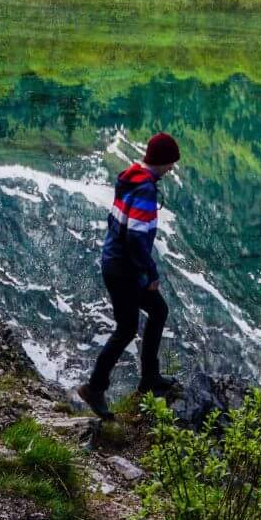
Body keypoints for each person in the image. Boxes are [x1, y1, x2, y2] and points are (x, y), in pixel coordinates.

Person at [78, 132, 182, 419]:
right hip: (124, 269)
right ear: (160, 161)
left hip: (119, 264)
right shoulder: (144, 189)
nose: (172, 168)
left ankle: (149, 378)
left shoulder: (131, 178)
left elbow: (119, 223)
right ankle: (94, 388)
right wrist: (150, 272)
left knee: (158, 311)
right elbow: (135, 236)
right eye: (170, 162)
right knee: (127, 328)